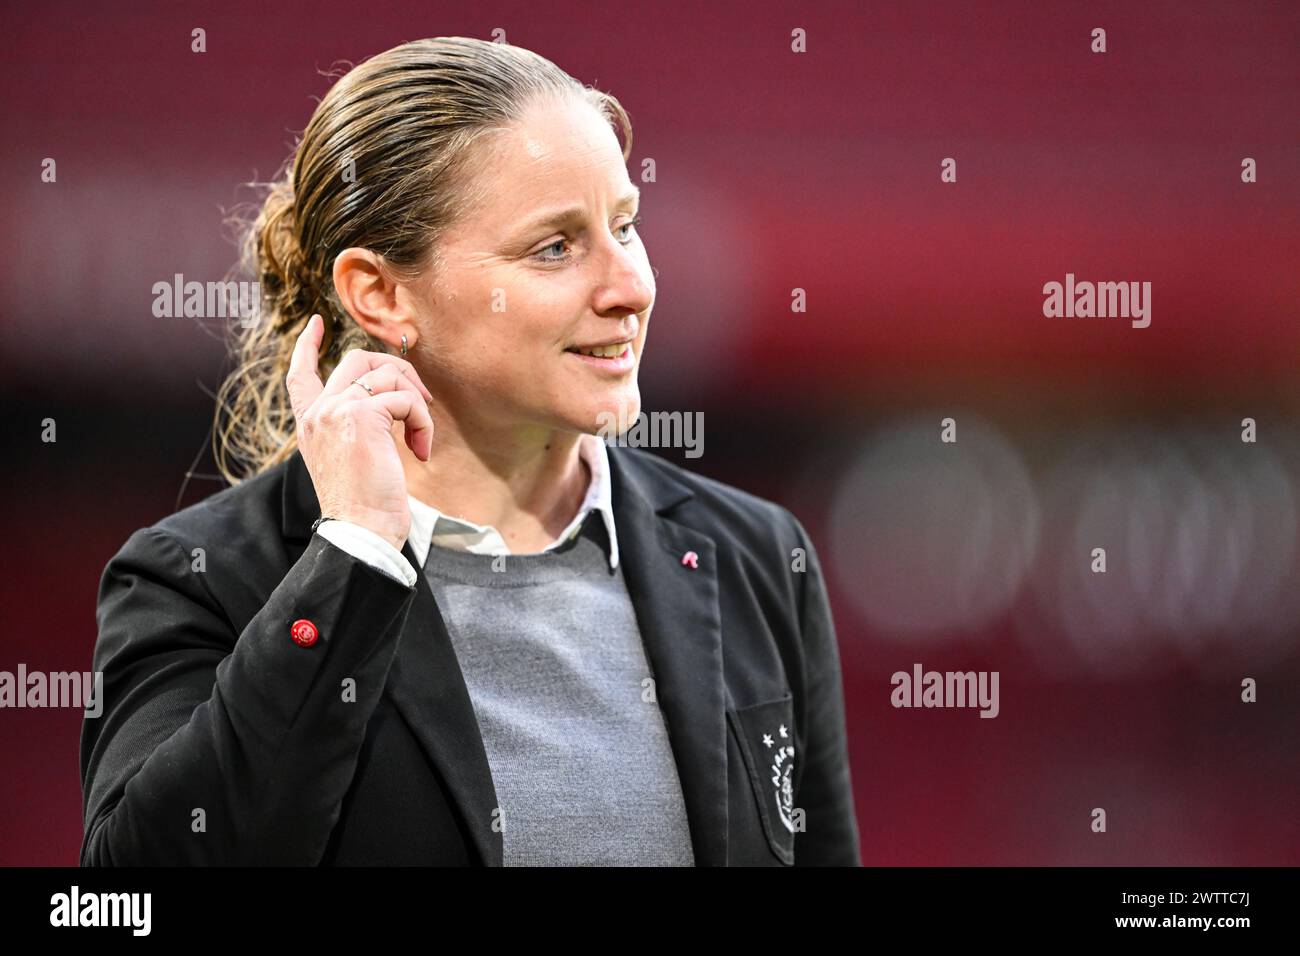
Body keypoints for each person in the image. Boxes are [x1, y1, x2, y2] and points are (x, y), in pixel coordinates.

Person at [79, 36, 860, 866]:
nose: (631, 286)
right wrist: (356, 558)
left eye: (625, 226)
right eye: (554, 247)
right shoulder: (199, 579)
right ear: (379, 294)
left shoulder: (759, 557)